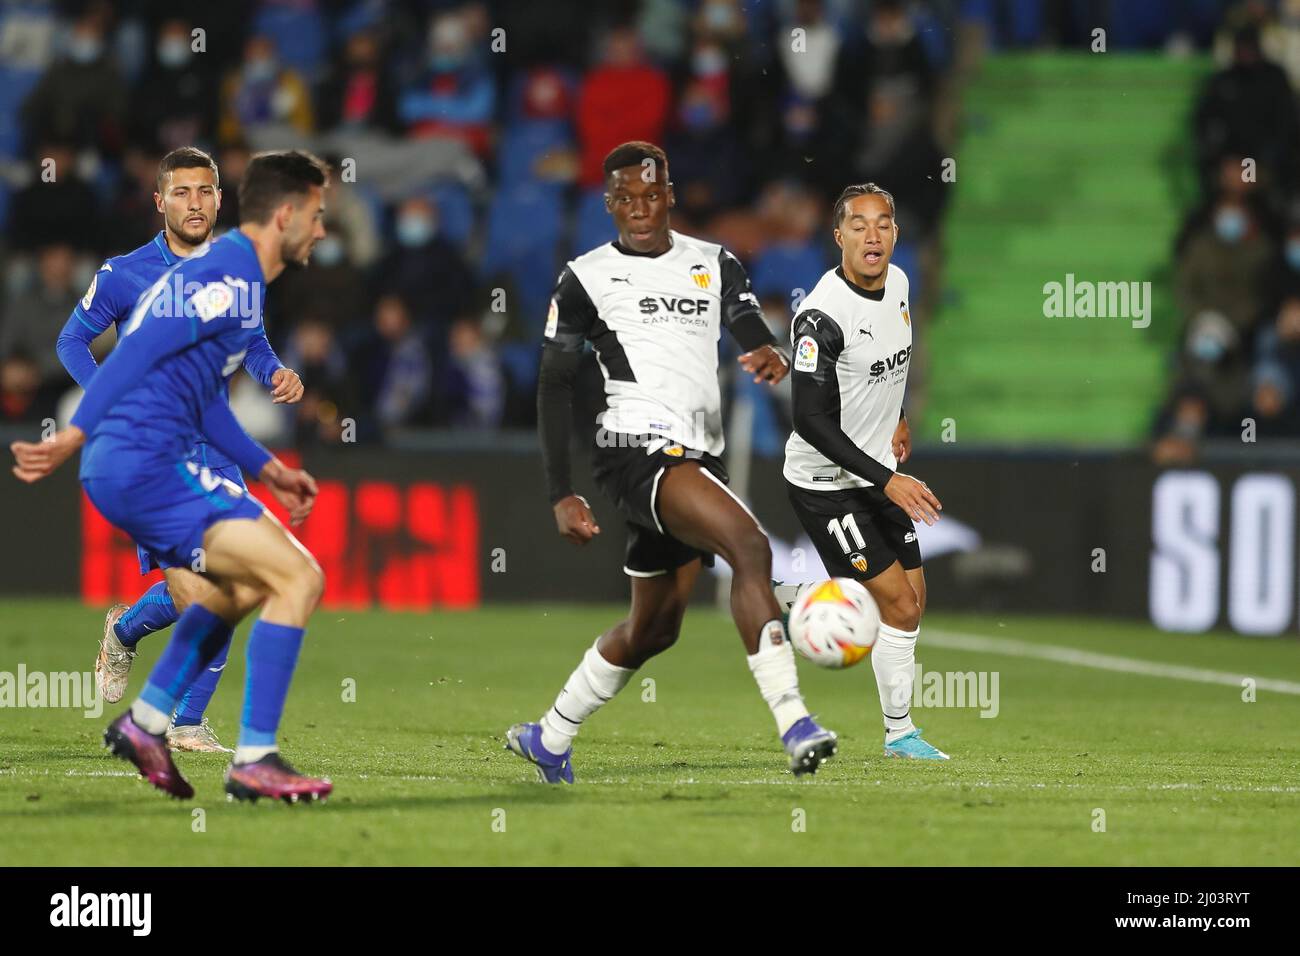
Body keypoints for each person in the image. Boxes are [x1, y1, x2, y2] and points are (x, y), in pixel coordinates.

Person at [506, 141, 838, 783]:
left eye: (650, 195)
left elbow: (744, 321)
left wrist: (767, 350)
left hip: (695, 457)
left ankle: (549, 736)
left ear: (670, 196)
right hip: (634, 452)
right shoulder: (585, 277)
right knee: (749, 546)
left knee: (654, 629)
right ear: (608, 204)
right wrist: (558, 491)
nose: (639, 208)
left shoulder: (713, 263)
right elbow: (553, 383)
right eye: (625, 198)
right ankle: (795, 722)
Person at [12, 150, 332, 802]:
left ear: (222, 200)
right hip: (146, 456)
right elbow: (135, 351)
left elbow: (208, 396)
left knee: (235, 587)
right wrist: (83, 425)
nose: (324, 232)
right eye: (319, 216)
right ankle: (247, 754)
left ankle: (153, 721)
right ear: (288, 215)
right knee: (291, 576)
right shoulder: (214, 277)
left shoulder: (241, 281)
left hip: (159, 454)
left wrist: (269, 467)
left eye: (205, 191)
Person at [778, 183, 948, 760]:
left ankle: (804, 594)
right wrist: (888, 479)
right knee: (896, 605)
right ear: (839, 237)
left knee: (912, 602)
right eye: (859, 225)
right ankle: (900, 733)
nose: (872, 235)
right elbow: (810, 420)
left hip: (874, 468)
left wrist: (897, 416)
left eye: (883, 224)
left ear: (895, 234)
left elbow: (886, 364)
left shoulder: (899, 284)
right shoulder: (821, 317)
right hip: (826, 484)